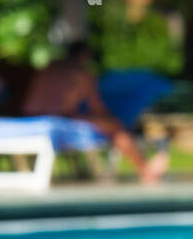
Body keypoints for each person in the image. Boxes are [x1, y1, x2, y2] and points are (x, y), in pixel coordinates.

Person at [22, 41, 168, 184]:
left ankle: (145, 168)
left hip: (29, 116)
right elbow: (97, 107)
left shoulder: (49, 67)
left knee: (106, 122)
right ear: (85, 56)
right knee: (115, 126)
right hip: (58, 116)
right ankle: (145, 170)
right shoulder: (82, 73)